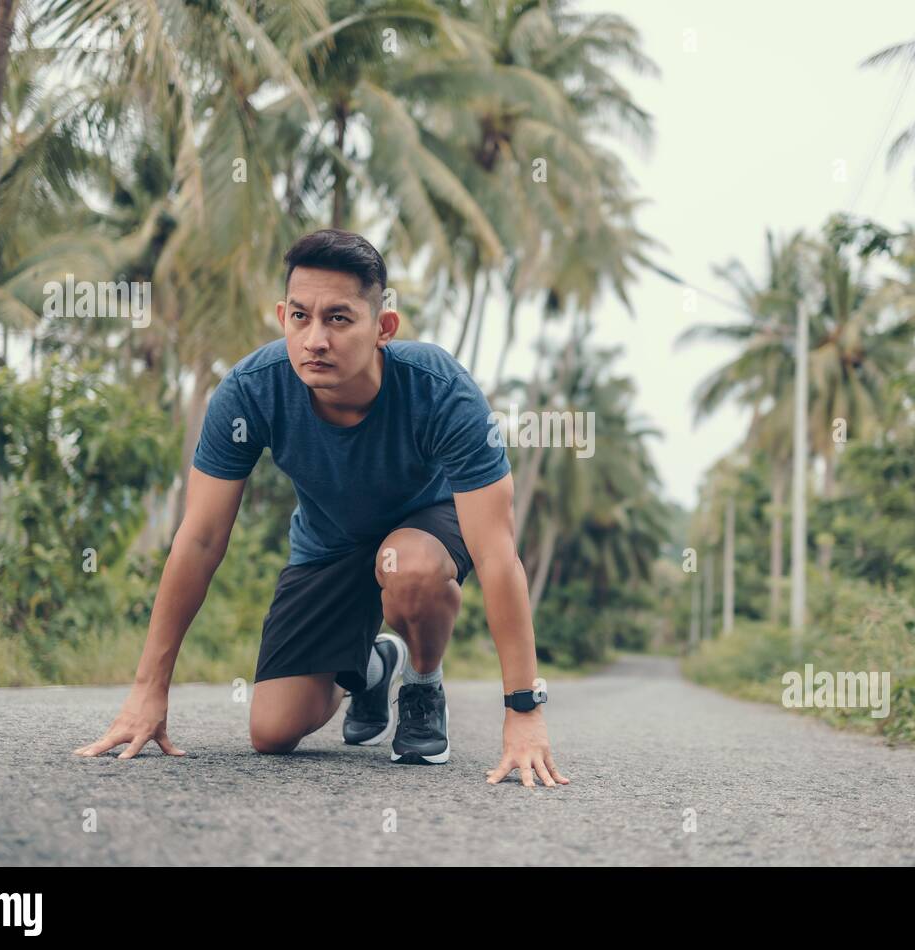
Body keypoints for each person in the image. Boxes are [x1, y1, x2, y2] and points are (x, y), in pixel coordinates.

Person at [74, 228, 569, 788]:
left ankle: (422, 682)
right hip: (328, 544)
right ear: (282, 316)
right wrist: (148, 690)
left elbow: (498, 554)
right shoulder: (249, 392)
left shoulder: (440, 390)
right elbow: (201, 538)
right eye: (301, 317)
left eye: (339, 319)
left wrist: (523, 710)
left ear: (383, 328)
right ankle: (372, 665)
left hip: (422, 532)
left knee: (408, 568)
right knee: (273, 731)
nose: (315, 339)